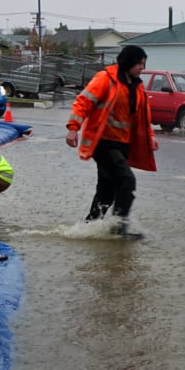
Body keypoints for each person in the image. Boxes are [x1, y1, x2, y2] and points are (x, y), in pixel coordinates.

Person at [65, 44, 158, 236]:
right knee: (127, 179)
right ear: (129, 62)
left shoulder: (137, 86)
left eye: (144, 64)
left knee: (107, 190)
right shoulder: (105, 79)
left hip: (122, 143)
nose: (142, 68)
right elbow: (83, 102)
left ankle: (88, 227)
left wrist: (150, 137)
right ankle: (119, 228)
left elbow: (142, 117)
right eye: (139, 64)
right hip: (103, 142)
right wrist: (73, 128)